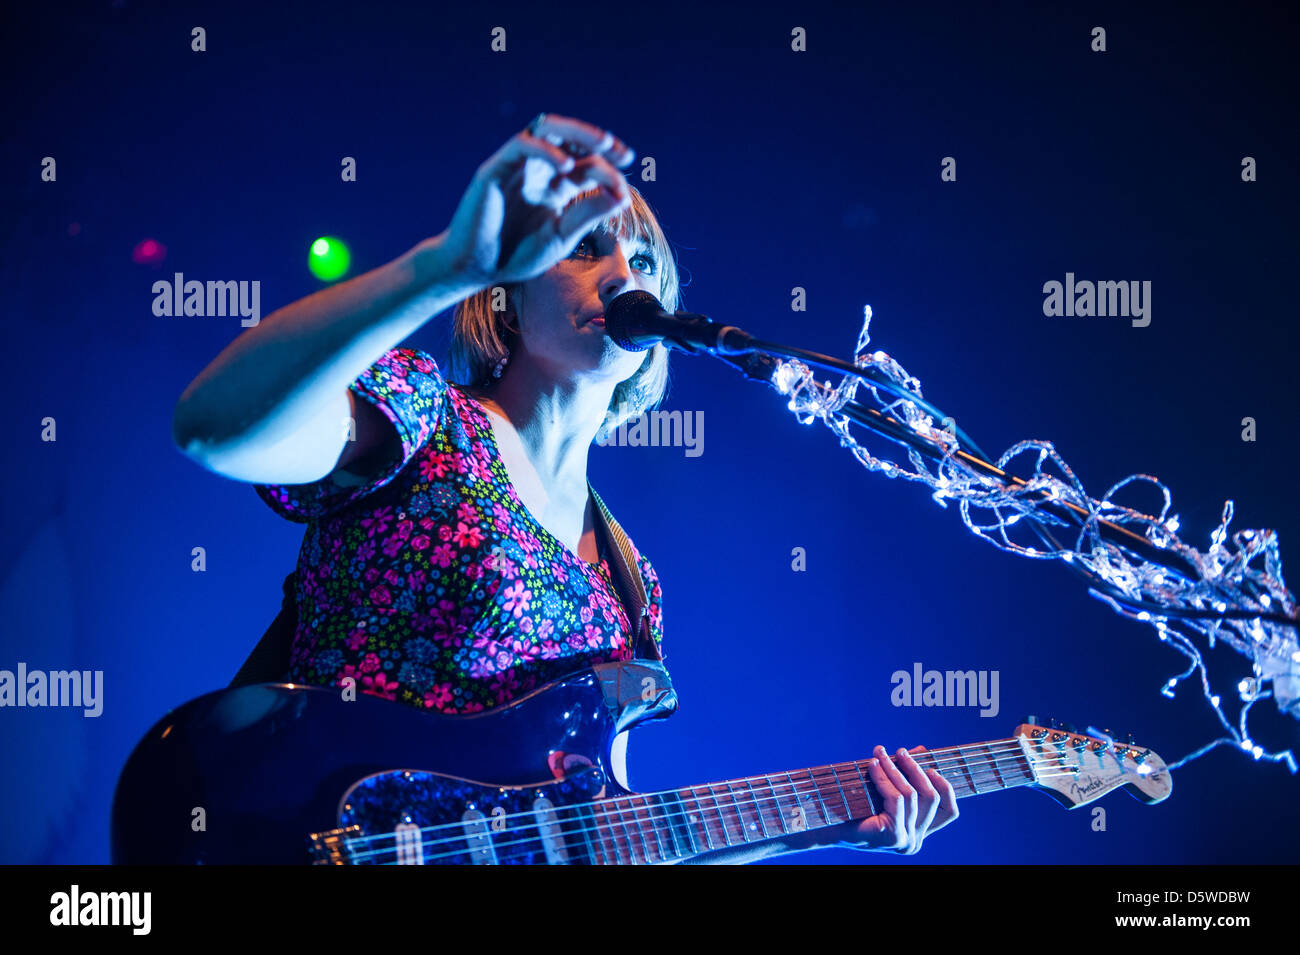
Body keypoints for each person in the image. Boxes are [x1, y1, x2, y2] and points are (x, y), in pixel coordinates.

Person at [171, 112, 958, 863]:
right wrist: (445, 266)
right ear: (507, 293)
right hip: (308, 833)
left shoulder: (629, 581)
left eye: (644, 263)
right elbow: (213, 428)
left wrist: (818, 829)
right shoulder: (425, 416)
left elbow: (604, 836)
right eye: (586, 249)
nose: (623, 276)